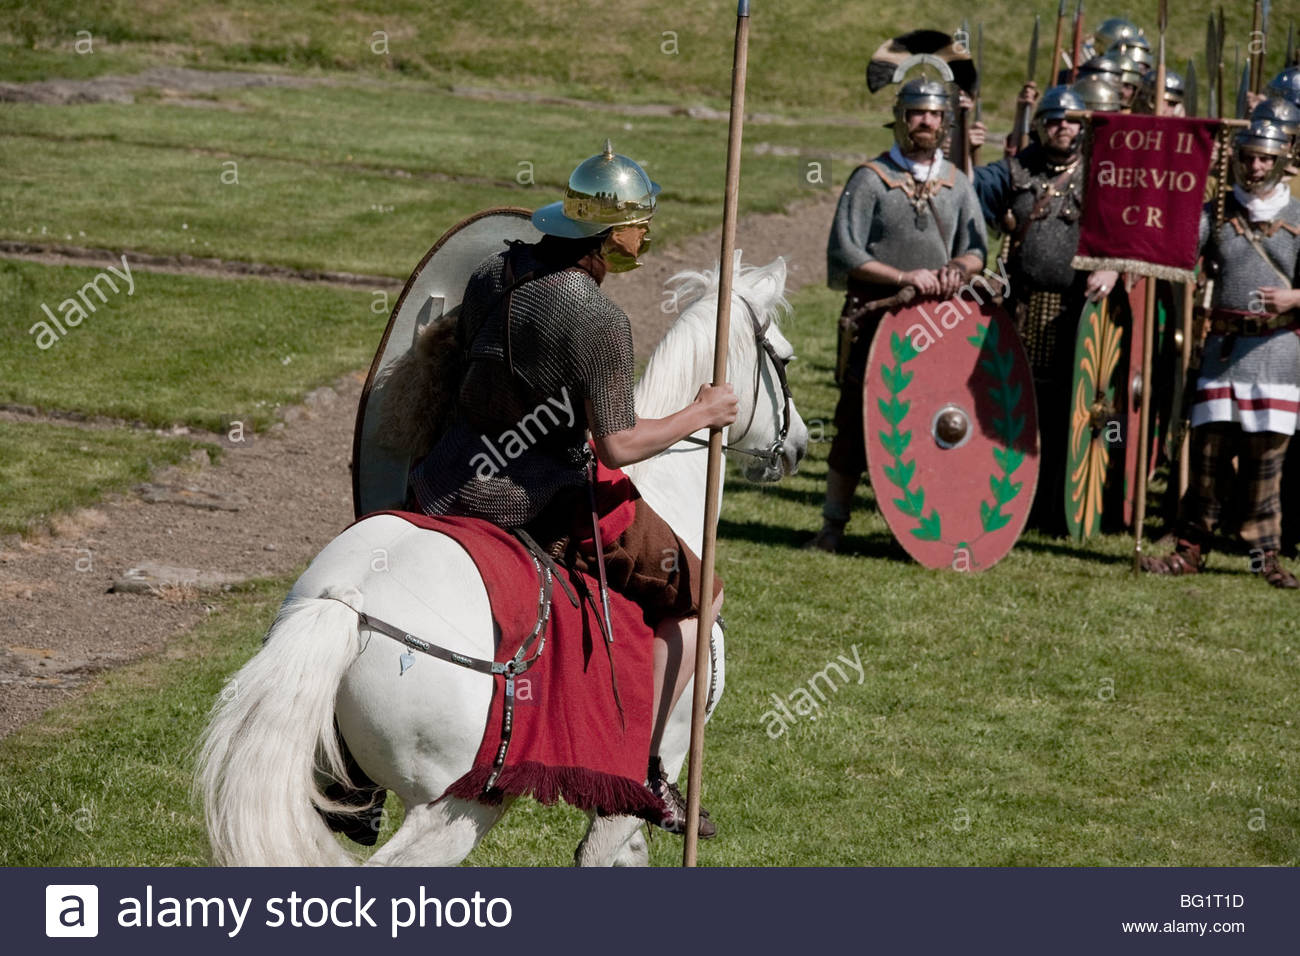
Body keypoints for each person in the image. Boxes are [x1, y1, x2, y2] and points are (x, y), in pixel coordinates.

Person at [409, 140, 739, 833]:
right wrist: (700, 413)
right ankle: (644, 772)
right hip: (539, 494)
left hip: (447, 477)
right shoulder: (597, 320)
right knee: (697, 594)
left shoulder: (492, 274)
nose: (644, 235)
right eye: (639, 222)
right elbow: (617, 443)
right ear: (614, 234)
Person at [808, 77, 987, 553]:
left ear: (945, 121)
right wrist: (902, 278)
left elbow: (977, 251)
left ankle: (921, 525)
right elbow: (845, 252)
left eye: (932, 114)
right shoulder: (871, 179)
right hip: (875, 316)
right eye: (915, 113)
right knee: (853, 421)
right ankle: (833, 525)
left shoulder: (957, 183)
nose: (924, 121)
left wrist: (954, 269)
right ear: (900, 118)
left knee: (928, 418)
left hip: (937, 326)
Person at [1141, 122, 1300, 588]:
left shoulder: (1299, 216)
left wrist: (1293, 300)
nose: (1256, 167)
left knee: (1264, 465)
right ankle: (1191, 550)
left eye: (1265, 159)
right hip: (1223, 350)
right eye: (1249, 157)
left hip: (1277, 351)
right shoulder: (1218, 210)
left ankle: (1263, 558)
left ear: (1281, 161)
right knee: (1207, 457)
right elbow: (1180, 252)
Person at [972, 86, 1119, 534]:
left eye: (1072, 120)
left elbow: (1126, 228)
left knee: (1067, 415)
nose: (1064, 127)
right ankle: (1008, 505)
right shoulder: (1017, 172)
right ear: (1040, 125)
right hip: (1019, 307)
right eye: (1055, 119)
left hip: (1078, 313)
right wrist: (968, 148)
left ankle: (1058, 511)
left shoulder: (1100, 176)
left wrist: (1111, 267)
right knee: (1011, 409)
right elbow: (965, 194)